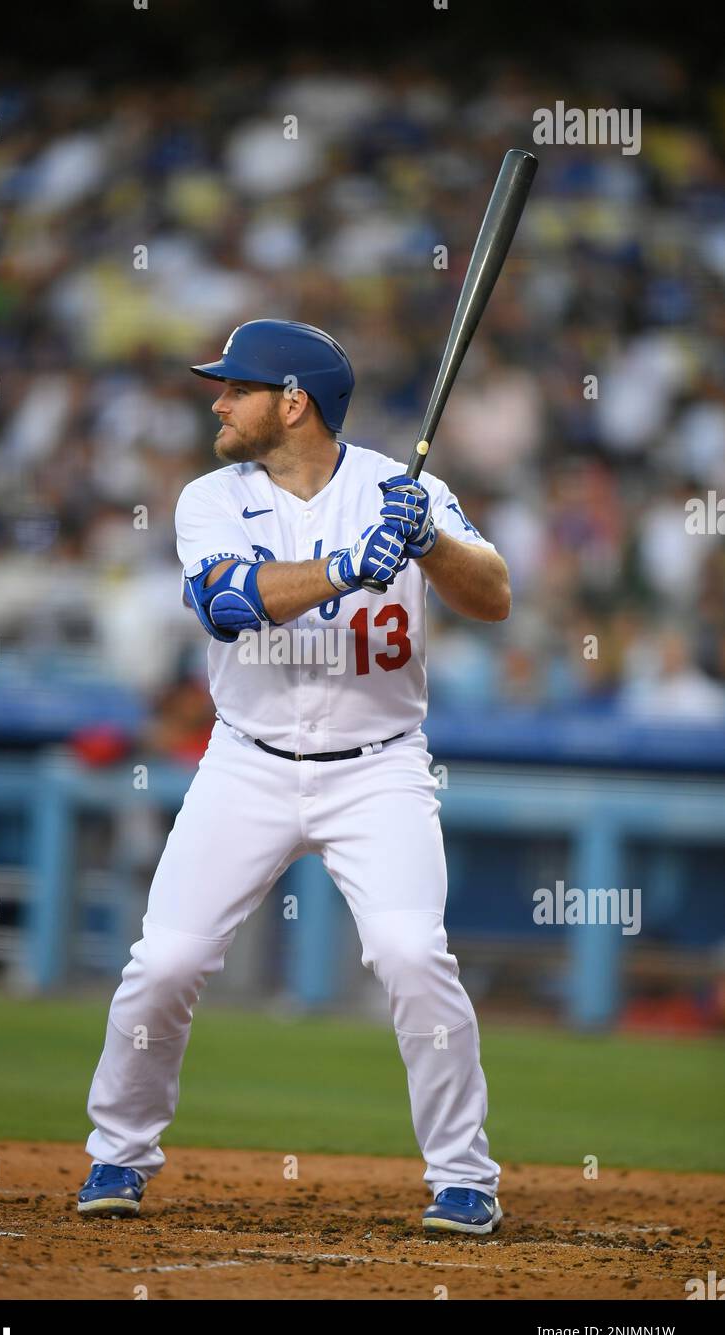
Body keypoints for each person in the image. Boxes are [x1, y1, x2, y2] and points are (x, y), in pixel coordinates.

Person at [77, 320, 511, 1234]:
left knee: (410, 956)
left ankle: (464, 1179)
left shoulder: (410, 489)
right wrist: (353, 564)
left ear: (293, 401)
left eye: (236, 388)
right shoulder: (210, 496)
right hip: (247, 761)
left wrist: (430, 541)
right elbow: (224, 603)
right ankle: (117, 1155)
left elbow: (494, 595)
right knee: (168, 961)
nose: (219, 402)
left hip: (381, 767)